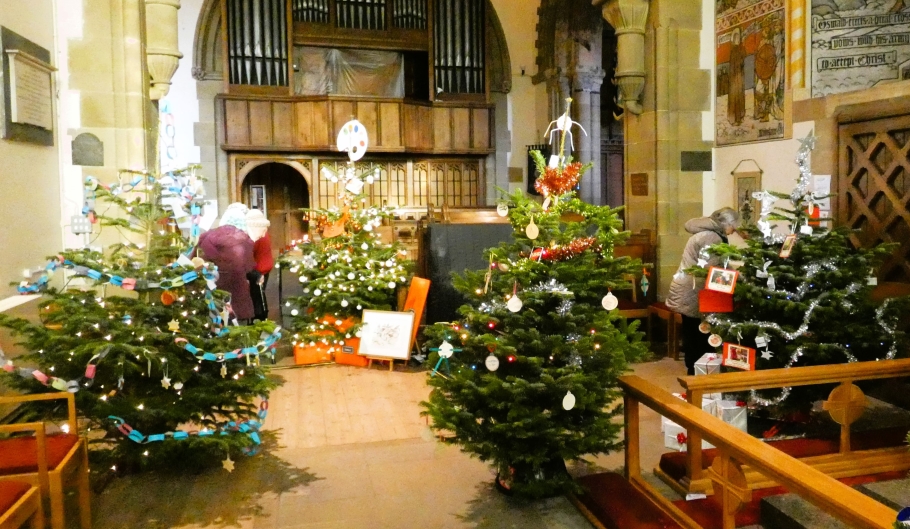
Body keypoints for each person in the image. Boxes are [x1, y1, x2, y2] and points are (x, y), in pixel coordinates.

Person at [666, 207, 740, 375]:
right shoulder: (712, 237)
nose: (733, 230)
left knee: (692, 330)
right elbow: (711, 268)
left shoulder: (706, 233)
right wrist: (741, 277)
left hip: (689, 286)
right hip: (694, 289)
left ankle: (694, 368)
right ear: (725, 223)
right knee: (698, 332)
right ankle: (696, 372)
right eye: (733, 226)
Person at [198, 203, 257, 323]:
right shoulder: (245, 240)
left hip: (214, 286)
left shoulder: (208, 236)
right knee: (237, 323)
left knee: (215, 320)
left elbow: (200, 259)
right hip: (238, 287)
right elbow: (249, 267)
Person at [246, 209, 274, 321]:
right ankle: (262, 317)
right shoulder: (264, 231)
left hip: (258, 269)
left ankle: (259, 318)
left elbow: (251, 254)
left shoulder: (255, 233)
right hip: (265, 266)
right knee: (260, 293)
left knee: (257, 296)